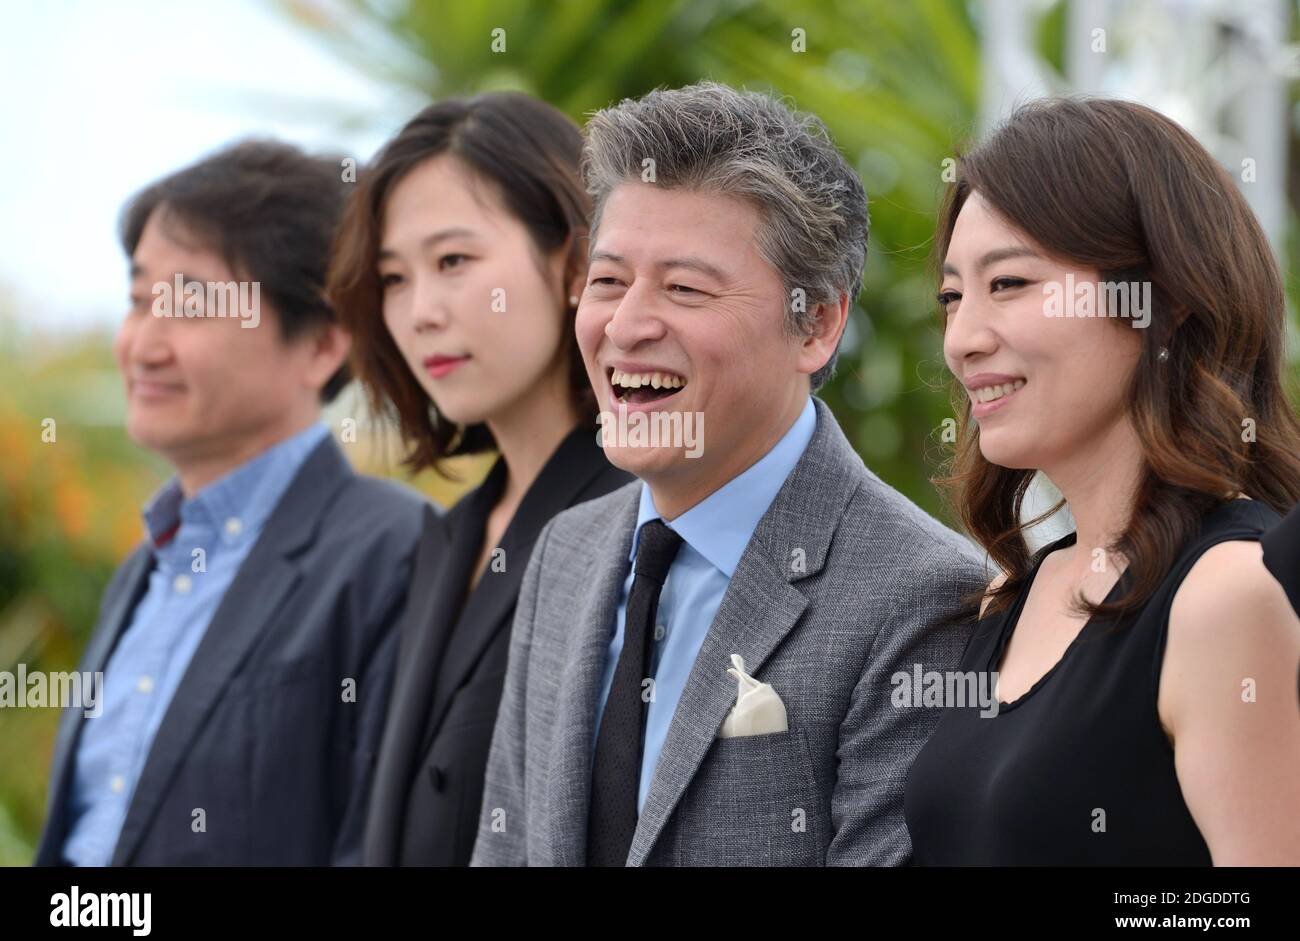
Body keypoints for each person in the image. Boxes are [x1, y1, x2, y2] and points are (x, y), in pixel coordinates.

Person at [471, 81, 986, 867]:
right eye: (607, 281)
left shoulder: (922, 596)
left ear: (816, 324)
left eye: (685, 289)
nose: (627, 324)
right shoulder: (564, 554)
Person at [905, 97, 1300, 865]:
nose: (963, 339)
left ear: (1164, 298)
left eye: (1010, 283)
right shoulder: (1018, 594)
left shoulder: (1226, 594)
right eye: (952, 297)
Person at [34, 140, 429, 866]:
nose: (143, 344)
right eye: (138, 299)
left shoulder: (392, 552)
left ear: (321, 344)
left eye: (187, 304)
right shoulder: (145, 566)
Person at [330, 93, 633, 867]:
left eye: (454, 262)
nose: (421, 311)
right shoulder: (450, 531)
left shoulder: (640, 517)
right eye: (394, 278)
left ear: (574, 264)